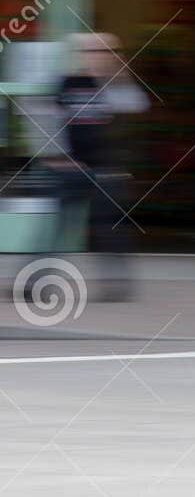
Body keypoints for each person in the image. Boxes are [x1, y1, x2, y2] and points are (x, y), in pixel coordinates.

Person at [51, 32, 147, 301]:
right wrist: (58, 156)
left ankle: (117, 286)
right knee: (57, 231)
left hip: (106, 171)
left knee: (109, 230)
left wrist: (117, 72)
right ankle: (34, 282)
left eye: (102, 52)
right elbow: (54, 117)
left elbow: (138, 105)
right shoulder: (70, 81)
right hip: (72, 168)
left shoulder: (115, 85)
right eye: (90, 52)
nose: (94, 57)